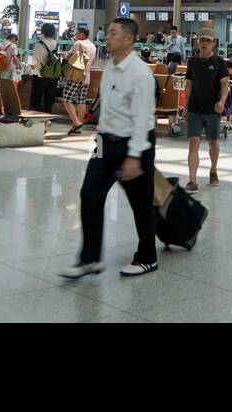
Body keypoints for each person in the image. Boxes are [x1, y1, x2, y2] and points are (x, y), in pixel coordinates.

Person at [60, 18, 158, 280]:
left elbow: (142, 119)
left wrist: (134, 156)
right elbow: (108, 111)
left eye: (114, 33)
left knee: (141, 203)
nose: (108, 36)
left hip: (133, 144)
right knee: (90, 194)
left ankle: (148, 257)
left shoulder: (139, 73)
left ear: (128, 39)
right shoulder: (110, 68)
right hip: (105, 142)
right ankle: (90, 259)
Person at [184, 26, 228, 191]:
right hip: (195, 108)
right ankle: (192, 181)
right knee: (193, 142)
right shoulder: (192, 62)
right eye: (202, 40)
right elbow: (188, 85)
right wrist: (185, 106)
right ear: (197, 42)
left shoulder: (218, 62)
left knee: (213, 142)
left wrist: (222, 102)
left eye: (207, 41)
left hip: (212, 109)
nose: (204, 43)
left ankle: (213, 169)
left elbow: (224, 85)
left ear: (213, 44)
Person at [57, 26, 96, 134]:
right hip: (86, 77)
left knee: (66, 98)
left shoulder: (78, 43)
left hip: (75, 76)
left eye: (77, 33)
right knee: (81, 100)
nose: (75, 35)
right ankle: (77, 125)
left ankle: (76, 121)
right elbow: (92, 62)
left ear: (82, 34)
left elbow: (69, 57)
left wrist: (64, 55)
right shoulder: (93, 46)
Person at [29, 22, 60, 113]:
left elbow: (36, 61)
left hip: (40, 75)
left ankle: (38, 118)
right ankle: (47, 117)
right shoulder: (56, 44)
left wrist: (33, 69)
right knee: (49, 99)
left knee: (36, 98)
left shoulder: (40, 44)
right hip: (52, 75)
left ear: (43, 31)